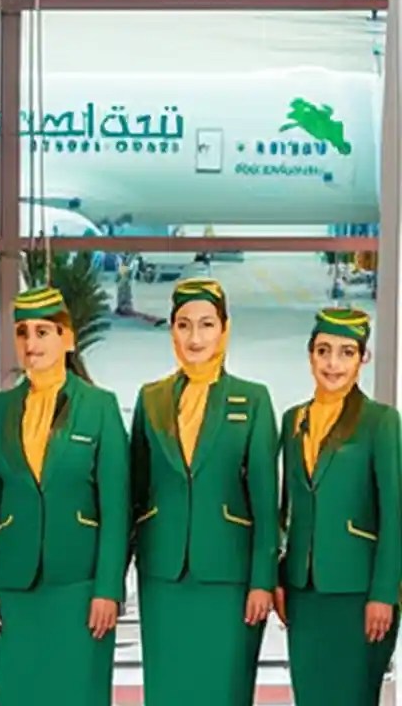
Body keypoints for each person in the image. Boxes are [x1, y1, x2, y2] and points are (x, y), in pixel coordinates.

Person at [128, 276, 278, 705]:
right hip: (163, 572)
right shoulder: (150, 398)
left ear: (224, 329)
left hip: (229, 574)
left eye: (207, 324)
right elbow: (136, 489)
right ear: (172, 329)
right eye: (183, 324)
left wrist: (262, 581)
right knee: (168, 686)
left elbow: (266, 503)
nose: (195, 337)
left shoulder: (252, 400)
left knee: (223, 688)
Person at [0, 286, 129, 706]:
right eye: (23, 332)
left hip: (79, 586)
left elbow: (116, 508)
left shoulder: (100, 406)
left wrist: (108, 588)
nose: (31, 343)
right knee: (20, 693)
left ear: (68, 339)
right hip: (13, 586)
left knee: (78, 693)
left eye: (43, 332)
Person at [275, 307, 400, 706]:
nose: (333, 363)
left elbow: (395, 513)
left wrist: (385, 593)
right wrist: (280, 574)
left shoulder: (380, 421)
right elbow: (285, 507)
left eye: (347, 352)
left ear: (363, 358)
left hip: (358, 591)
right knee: (310, 695)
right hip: (304, 592)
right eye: (324, 350)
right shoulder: (293, 420)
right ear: (310, 354)